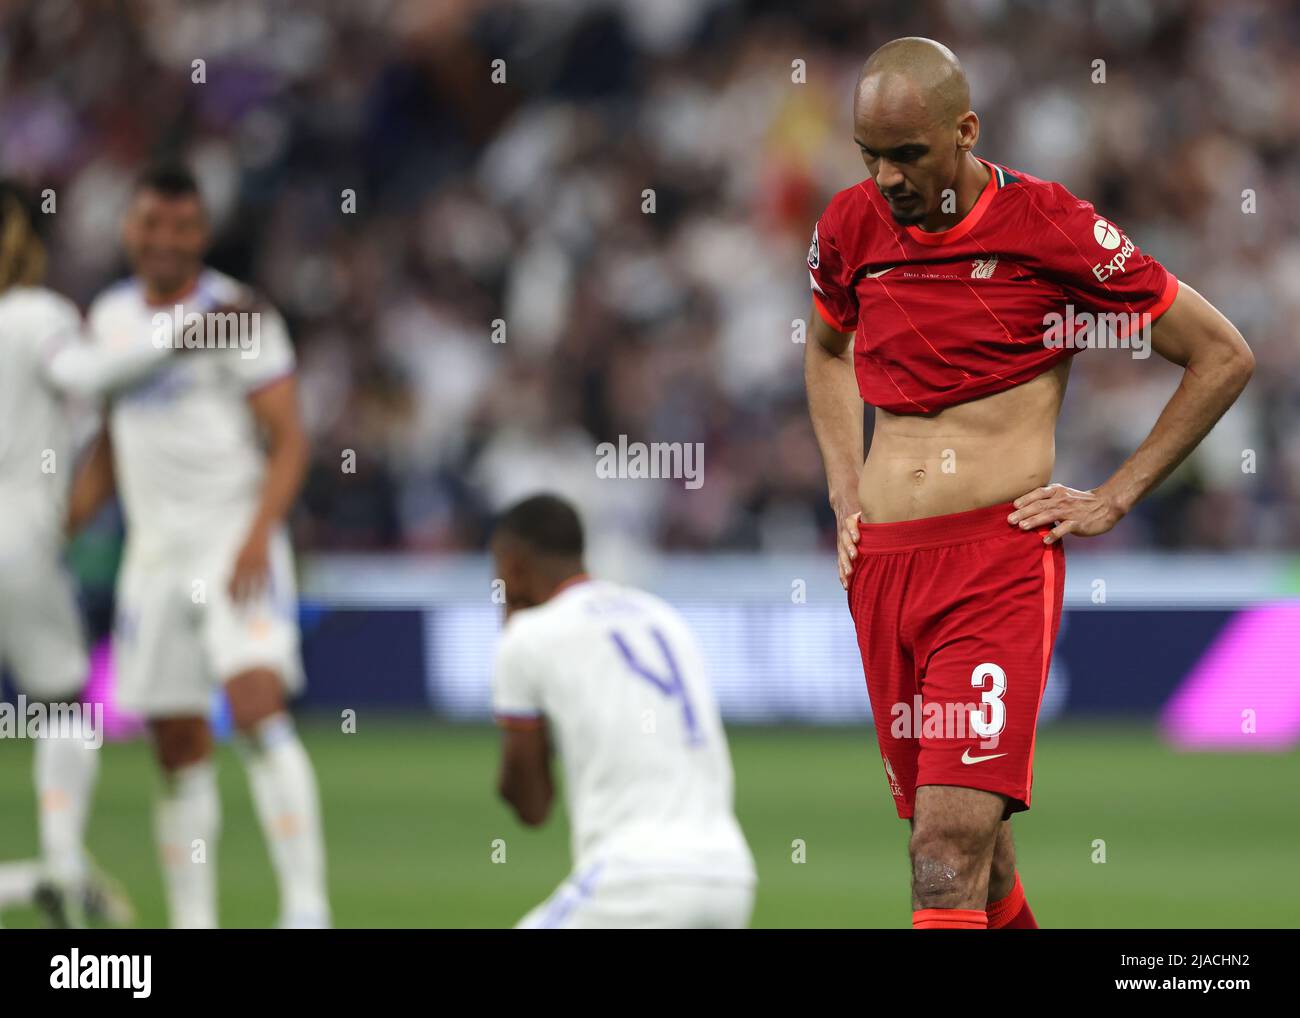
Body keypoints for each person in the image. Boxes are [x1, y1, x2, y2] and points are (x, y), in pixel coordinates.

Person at [803, 38, 1253, 929]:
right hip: (884, 568)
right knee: (979, 858)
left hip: (992, 569)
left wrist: (1116, 495)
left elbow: (1221, 354)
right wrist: (845, 490)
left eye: (908, 155)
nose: (886, 178)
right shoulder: (849, 226)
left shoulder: (1049, 224)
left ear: (965, 131)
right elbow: (824, 348)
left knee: (942, 857)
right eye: (869, 156)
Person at [60, 163, 329, 928]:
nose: (166, 240)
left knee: (255, 707)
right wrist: (61, 532)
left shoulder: (238, 314)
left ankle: (307, 910)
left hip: (233, 539)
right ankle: (193, 918)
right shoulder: (109, 317)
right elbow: (109, 446)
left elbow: (290, 440)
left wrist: (256, 538)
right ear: (129, 229)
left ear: (202, 234)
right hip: (153, 557)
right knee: (176, 742)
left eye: (181, 227)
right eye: (152, 224)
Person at [490, 493, 756, 928]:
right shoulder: (662, 616)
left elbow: (531, 806)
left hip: (636, 880)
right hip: (730, 876)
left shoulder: (526, 635)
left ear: (514, 563)